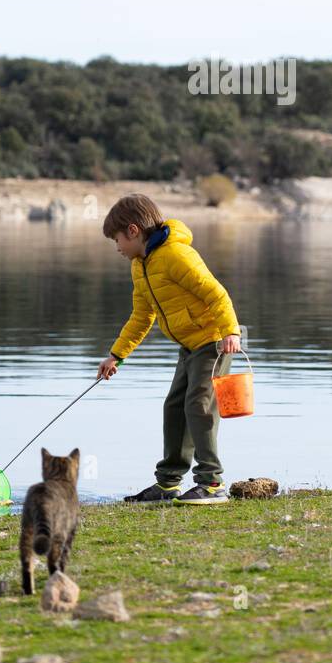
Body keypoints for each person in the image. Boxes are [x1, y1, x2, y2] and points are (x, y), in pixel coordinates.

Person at [99, 193, 241, 505]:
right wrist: (116, 355)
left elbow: (216, 294)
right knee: (174, 407)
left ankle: (212, 483)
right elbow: (141, 316)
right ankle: (167, 484)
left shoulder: (177, 255)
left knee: (199, 406)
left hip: (214, 340)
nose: (118, 247)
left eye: (117, 239)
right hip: (188, 345)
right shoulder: (140, 265)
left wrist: (231, 331)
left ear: (134, 230)